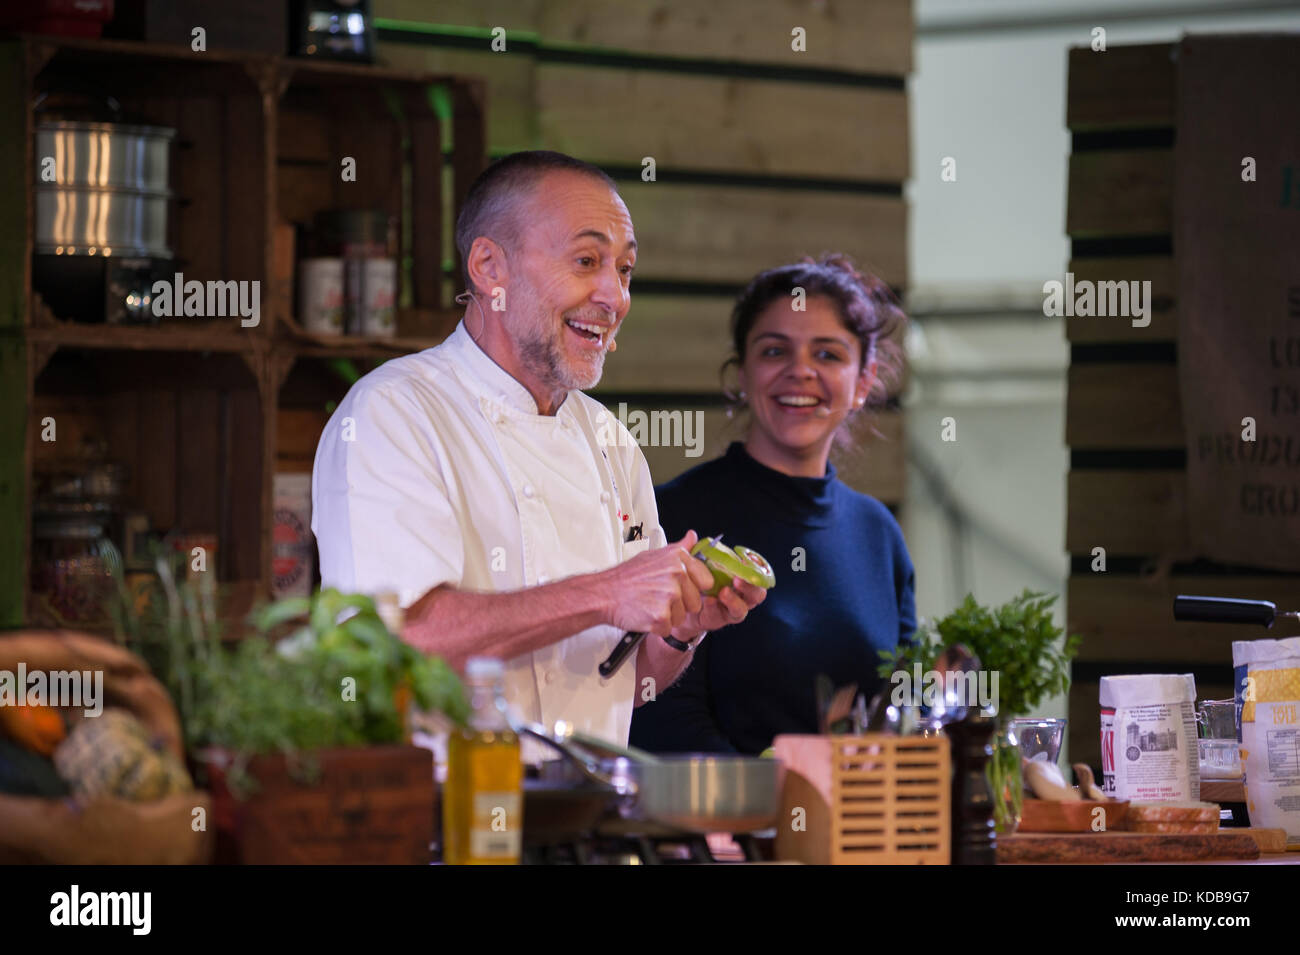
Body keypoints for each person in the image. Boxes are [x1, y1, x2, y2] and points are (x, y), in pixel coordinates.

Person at [311, 151, 766, 750]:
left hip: (579, 815)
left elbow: (627, 681)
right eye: (586, 261)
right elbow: (405, 641)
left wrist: (680, 631)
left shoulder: (610, 441)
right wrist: (608, 593)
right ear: (488, 266)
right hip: (439, 823)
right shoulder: (393, 413)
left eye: (624, 270)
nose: (615, 297)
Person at [629, 255, 916, 755]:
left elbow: (897, 713)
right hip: (720, 822)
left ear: (863, 382)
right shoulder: (674, 516)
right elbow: (657, 712)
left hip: (860, 823)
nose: (800, 371)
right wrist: (769, 812)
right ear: (742, 373)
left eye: (827, 355)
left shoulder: (879, 534)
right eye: (774, 351)